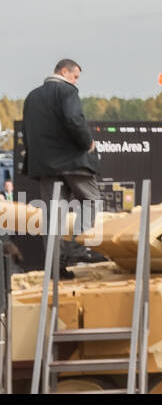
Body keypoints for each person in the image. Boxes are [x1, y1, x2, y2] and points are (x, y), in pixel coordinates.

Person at [21, 59, 101, 274]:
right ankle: (76, 249)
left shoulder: (32, 97)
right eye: (75, 77)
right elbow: (74, 119)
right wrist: (88, 143)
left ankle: (56, 269)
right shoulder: (67, 92)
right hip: (73, 162)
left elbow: (27, 132)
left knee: (53, 218)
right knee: (91, 201)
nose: (76, 82)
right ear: (64, 72)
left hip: (45, 165)